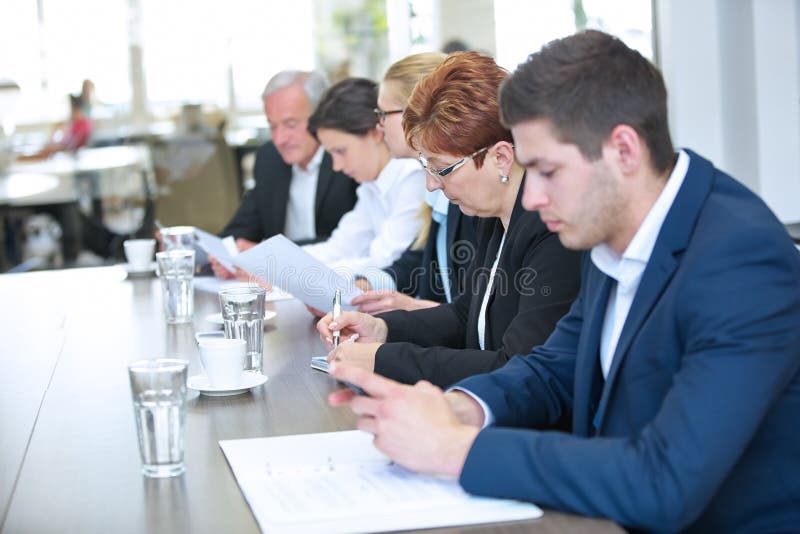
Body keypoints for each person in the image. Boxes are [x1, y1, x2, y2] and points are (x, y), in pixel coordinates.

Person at [326, 31, 800, 532]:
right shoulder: (608, 225)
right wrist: (458, 407)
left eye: (548, 171)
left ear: (623, 150)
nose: (532, 199)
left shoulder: (741, 261)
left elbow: (665, 480)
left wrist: (458, 448)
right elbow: (553, 368)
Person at [317, 52, 582, 389]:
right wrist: (383, 329)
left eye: (441, 169)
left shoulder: (551, 228)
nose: (431, 184)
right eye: (426, 168)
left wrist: (382, 359)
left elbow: (516, 366)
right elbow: (465, 314)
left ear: (500, 158)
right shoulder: (493, 211)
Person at [353, 51, 480, 314]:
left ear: (417, 111)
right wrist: (367, 284)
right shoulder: (436, 184)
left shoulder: (469, 193)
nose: (379, 127)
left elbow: (475, 315)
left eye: (383, 114)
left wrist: (412, 307)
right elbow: (417, 260)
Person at [211, 70, 358, 279]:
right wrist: (224, 254)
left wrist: (265, 254)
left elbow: (349, 242)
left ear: (322, 117)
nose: (280, 139)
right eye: (272, 126)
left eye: (290, 124)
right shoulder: (270, 158)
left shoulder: (347, 161)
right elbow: (239, 230)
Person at [301, 77, 425, 273]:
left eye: (340, 151)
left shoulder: (413, 178)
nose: (336, 166)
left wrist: (304, 274)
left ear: (376, 132)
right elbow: (340, 248)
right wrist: (274, 266)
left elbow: (385, 259)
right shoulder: (371, 186)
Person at [18, 94, 93, 160]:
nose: (68, 112)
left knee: (40, 153)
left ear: (75, 108)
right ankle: (20, 158)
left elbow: (70, 147)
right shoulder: (74, 123)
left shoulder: (83, 124)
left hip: (65, 156)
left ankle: (19, 159)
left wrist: (54, 135)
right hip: (60, 153)